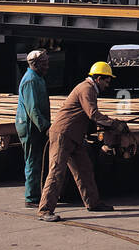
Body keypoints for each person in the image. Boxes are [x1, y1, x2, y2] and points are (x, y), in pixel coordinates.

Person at [36, 61, 128, 222]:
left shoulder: (89, 89)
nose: (108, 85)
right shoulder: (87, 89)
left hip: (74, 137)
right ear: (99, 78)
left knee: (84, 170)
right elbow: (93, 114)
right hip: (63, 135)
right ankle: (45, 210)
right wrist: (114, 124)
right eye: (107, 81)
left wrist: (110, 124)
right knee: (57, 171)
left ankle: (93, 203)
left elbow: (88, 117)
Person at [16, 49, 51, 209]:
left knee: (37, 160)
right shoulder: (30, 80)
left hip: (35, 125)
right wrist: (46, 127)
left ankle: (36, 193)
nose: (47, 66)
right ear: (35, 64)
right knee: (33, 161)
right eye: (44, 63)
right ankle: (31, 197)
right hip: (30, 127)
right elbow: (33, 110)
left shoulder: (38, 78)